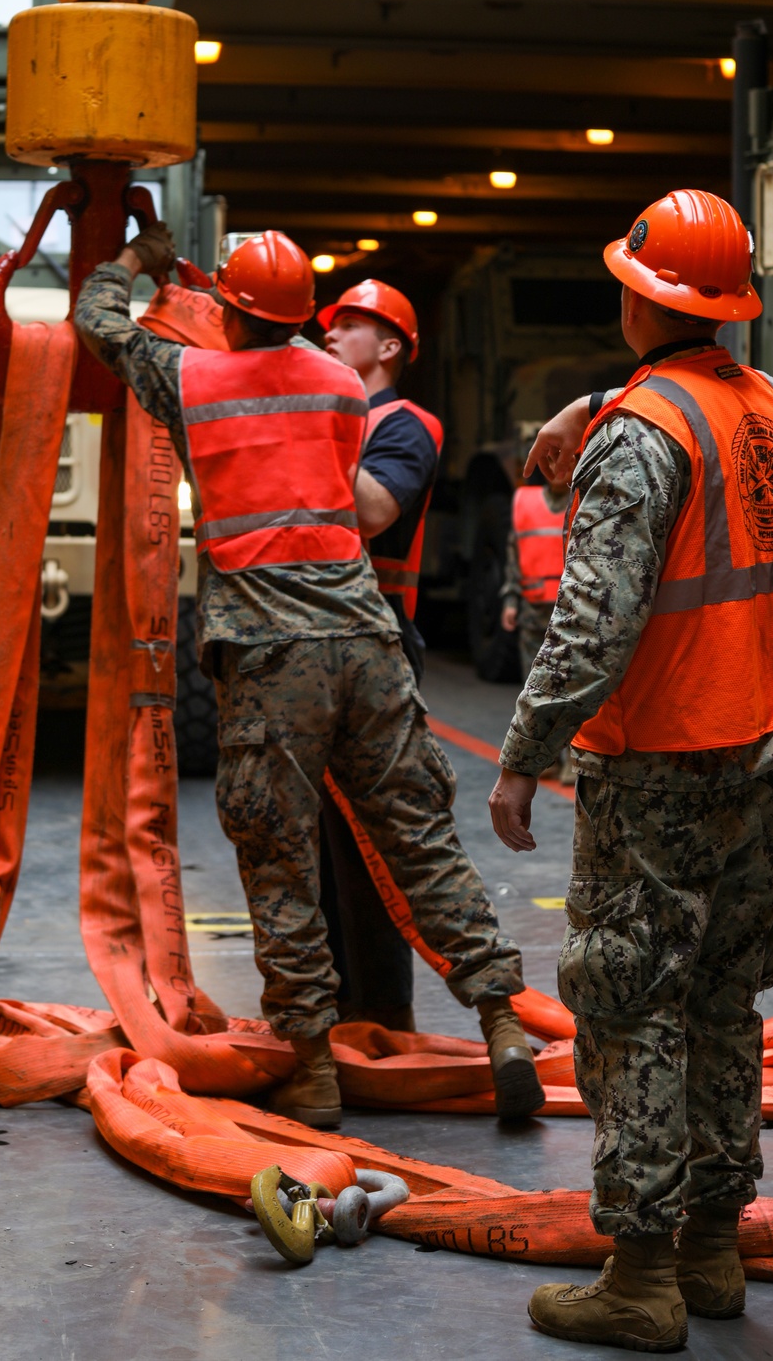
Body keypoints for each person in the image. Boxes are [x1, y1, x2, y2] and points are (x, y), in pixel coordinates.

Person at [74, 223, 544, 1129]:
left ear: (233, 313)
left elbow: (102, 324)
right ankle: (501, 1025)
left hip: (267, 650)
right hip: (366, 645)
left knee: (278, 860)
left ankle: (315, 1068)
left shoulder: (193, 378)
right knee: (423, 846)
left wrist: (139, 261)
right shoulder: (339, 386)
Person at [487, 189, 773, 1351]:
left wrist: (522, 756)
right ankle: (713, 1248)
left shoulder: (640, 433)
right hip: (764, 750)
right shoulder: (767, 404)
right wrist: (596, 406)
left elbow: (592, 626)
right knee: (724, 996)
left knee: (631, 1005)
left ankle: (639, 1275)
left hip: (662, 765)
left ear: (637, 296)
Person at [315, 280, 441, 1032]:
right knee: (321, 841)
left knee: (373, 844)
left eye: (351, 326)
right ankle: (337, 1008)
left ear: (389, 347)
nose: (332, 334)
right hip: (317, 643)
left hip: (381, 644)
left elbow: (374, 510)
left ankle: (386, 1016)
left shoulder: (404, 426)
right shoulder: (338, 416)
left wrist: (313, 428)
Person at [500, 473, 573, 783]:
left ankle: (572, 759)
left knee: (570, 686)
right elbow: (514, 556)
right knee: (534, 687)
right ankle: (547, 760)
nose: (557, 467)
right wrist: (510, 600)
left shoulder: (583, 497)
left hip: (571, 609)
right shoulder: (525, 502)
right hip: (533, 610)